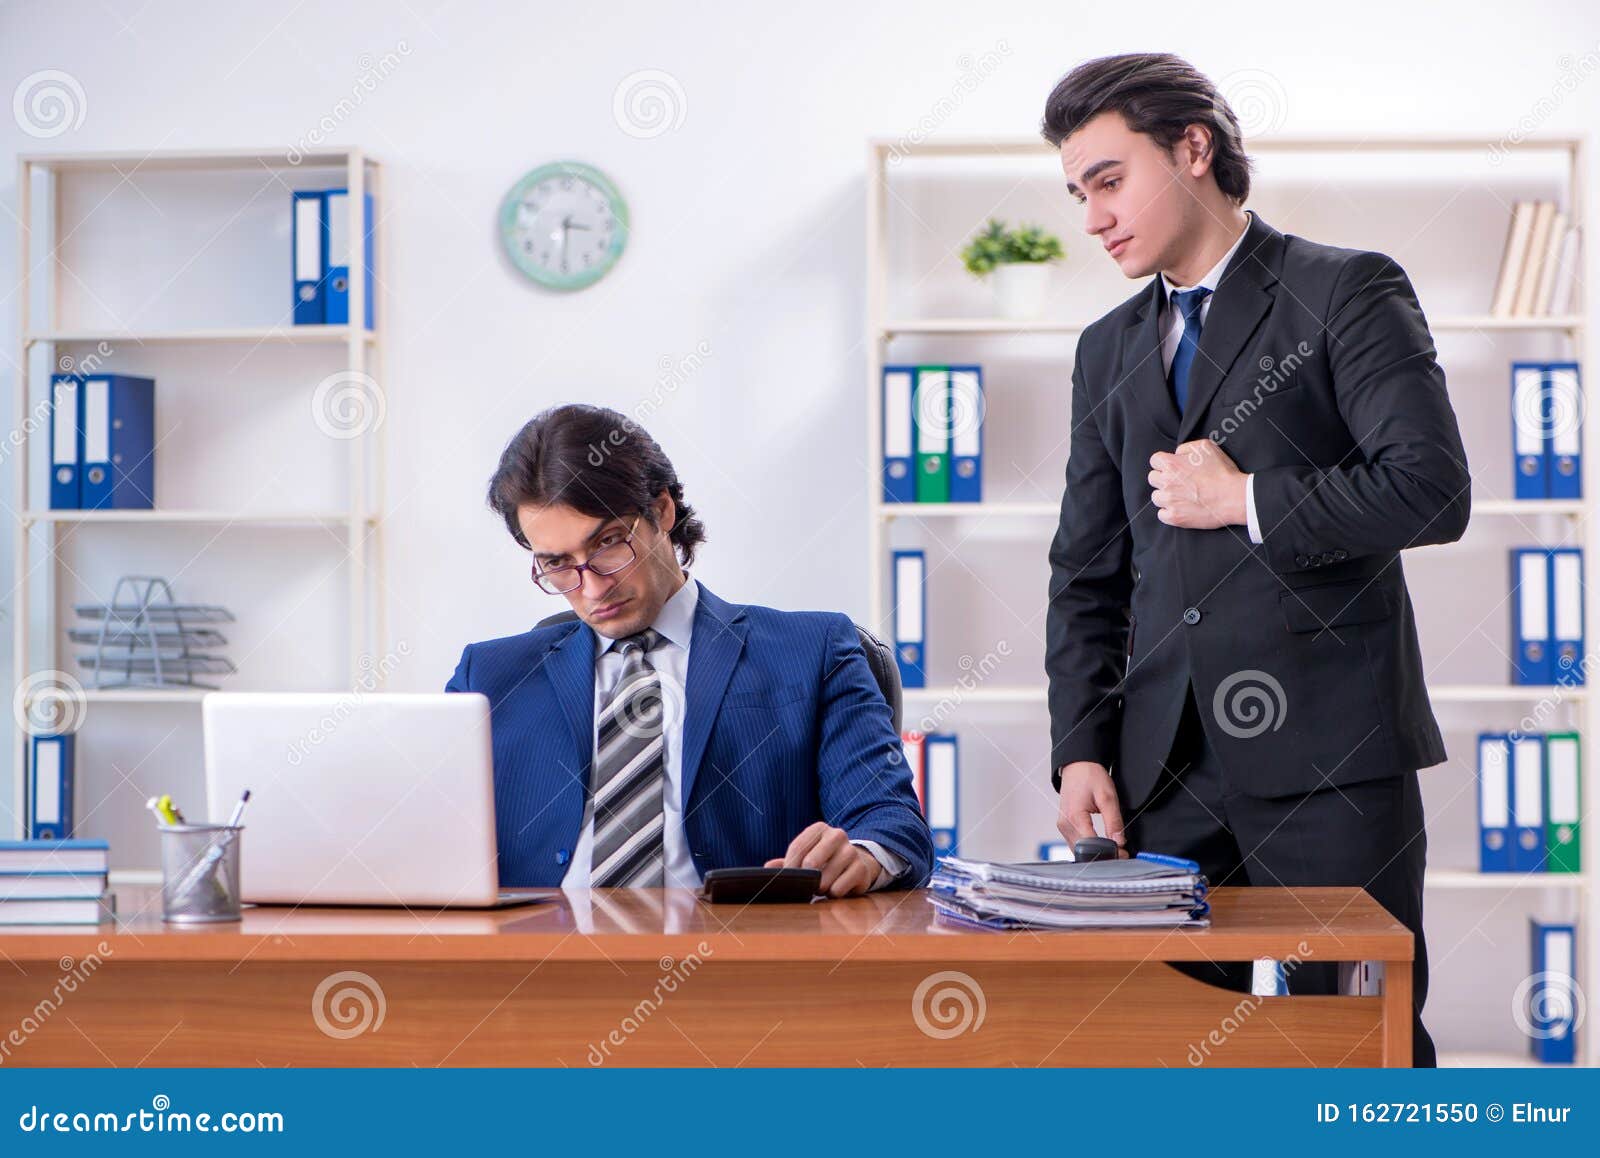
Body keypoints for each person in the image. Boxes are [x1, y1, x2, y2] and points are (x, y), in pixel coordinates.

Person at [1040, 53, 1471, 1067]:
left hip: (1330, 765)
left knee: (1355, 1044)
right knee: (1164, 1051)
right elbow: (1086, 571)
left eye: (1107, 180)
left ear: (1193, 148)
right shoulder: (1105, 349)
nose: (1091, 216)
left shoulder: (1343, 290)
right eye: (1075, 194)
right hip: (1160, 773)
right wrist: (1079, 746)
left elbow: (1430, 488)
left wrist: (1241, 499)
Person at [446, 404, 933, 895]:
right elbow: (424, 843)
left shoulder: (813, 650)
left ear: (661, 511)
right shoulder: (487, 678)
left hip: (731, 956)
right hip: (531, 960)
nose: (592, 589)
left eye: (609, 544)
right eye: (557, 563)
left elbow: (890, 822)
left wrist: (864, 855)